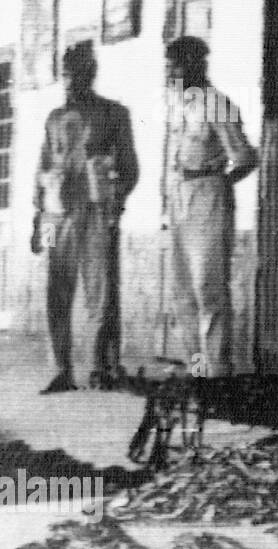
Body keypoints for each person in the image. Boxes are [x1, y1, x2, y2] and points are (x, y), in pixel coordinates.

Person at [33, 40, 139, 393]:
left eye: (77, 74)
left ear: (91, 74)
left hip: (96, 213)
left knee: (102, 291)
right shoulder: (54, 119)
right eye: (65, 75)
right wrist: (39, 222)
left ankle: (101, 367)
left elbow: (129, 169)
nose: (70, 81)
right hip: (56, 216)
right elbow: (42, 169)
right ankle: (62, 369)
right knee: (55, 291)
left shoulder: (113, 114)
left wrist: (115, 200)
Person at [164, 36, 258, 378]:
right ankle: (196, 369)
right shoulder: (179, 105)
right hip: (180, 196)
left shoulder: (218, 105)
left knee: (209, 286)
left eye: (175, 65)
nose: (169, 72)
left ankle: (218, 372)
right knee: (183, 288)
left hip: (209, 194)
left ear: (193, 66)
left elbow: (246, 157)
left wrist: (219, 184)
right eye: (168, 65)